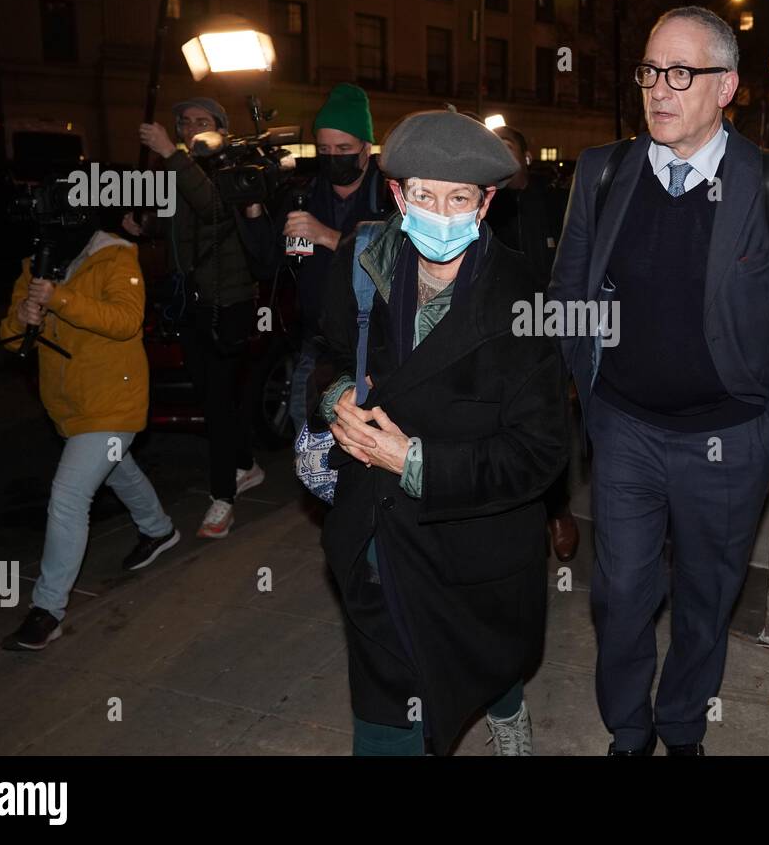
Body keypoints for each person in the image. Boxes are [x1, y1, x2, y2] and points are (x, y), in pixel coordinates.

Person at [548, 6, 769, 755]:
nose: (658, 90)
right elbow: (568, 294)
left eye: (681, 73)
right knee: (622, 595)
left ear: (726, 85)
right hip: (627, 431)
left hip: (730, 439)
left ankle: (681, 727)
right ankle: (629, 732)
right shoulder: (603, 172)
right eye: (648, 72)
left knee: (705, 603)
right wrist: (594, 403)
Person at [309, 108, 569, 755]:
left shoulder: (526, 303)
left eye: (459, 198)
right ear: (397, 193)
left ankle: (504, 698)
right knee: (388, 710)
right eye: (423, 194)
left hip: (470, 538)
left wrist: (415, 460)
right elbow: (325, 354)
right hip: (377, 531)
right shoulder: (362, 260)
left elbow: (539, 455)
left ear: (485, 204)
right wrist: (338, 397)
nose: (440, 213)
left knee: (478, 652)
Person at [0, 212, 177, 650]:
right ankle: (158, 529)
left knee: (69, 495)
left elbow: (124, 321)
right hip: (68, 406)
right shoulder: (36, 263)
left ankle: (48, 609)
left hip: (114, 402)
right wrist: (23, 317)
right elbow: (10, 339)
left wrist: (60, 299)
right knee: (118, 468)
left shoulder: (114, 256)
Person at [139, 98, 264, 540]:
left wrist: (170, 155)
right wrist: (147, 223)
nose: (191, 128)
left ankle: (222, 498)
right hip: (190, 301)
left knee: (216, 401)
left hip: (227, 302)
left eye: (203, 122)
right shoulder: (184, 169)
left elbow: (212, 208)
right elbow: (180, 224)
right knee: (212, 393)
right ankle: (245, 465)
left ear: (222, 130)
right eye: (185, 122)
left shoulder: (230, 166)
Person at [237, 83, 385, 433]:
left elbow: (398, 263)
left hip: (378, 346)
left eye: (344, 148)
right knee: (308, 431)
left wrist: (330, 238)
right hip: (317, 343)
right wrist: (254, 210)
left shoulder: (389, 195)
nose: (334, 156)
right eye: (325, 149)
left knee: (369, 436)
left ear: (366, 148)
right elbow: (266, 264)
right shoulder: (303, 196)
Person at [486, 123, 579, 562]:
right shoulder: (483, 204)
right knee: (504, 422)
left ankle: (558, 511)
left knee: (550, 422)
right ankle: (517, 515)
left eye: (507, 148)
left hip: (549, 331)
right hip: (499, 334)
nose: (500, 157)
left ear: (524, 156)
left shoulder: (557, 201)